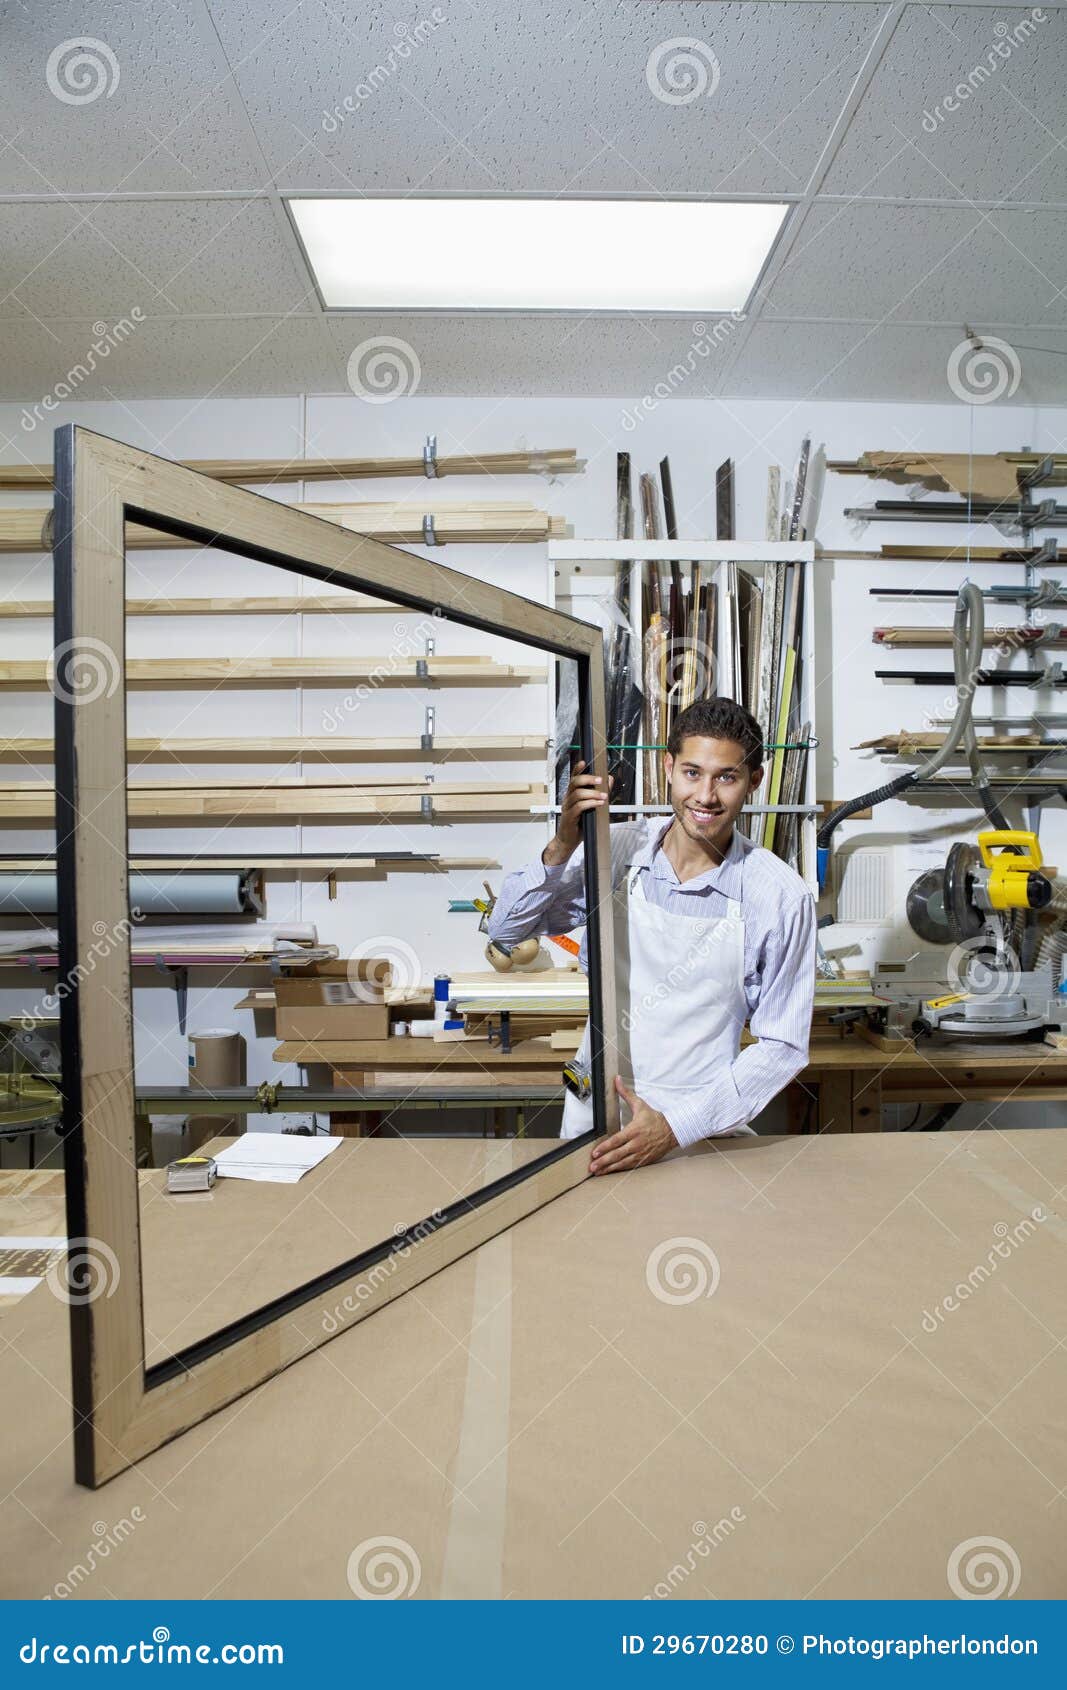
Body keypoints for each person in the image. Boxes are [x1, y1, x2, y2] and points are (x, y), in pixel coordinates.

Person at [487, 696, 816, 1175]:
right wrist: (562, 843)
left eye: (727, 777)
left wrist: (675, 1127)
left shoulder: (779, 896)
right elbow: (505, 931)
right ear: (667, 767)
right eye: (692, 772)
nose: (705, 795)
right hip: (594, 1114)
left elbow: (783, 1047)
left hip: (699, 1130)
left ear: (754, 781)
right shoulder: (617, 851)